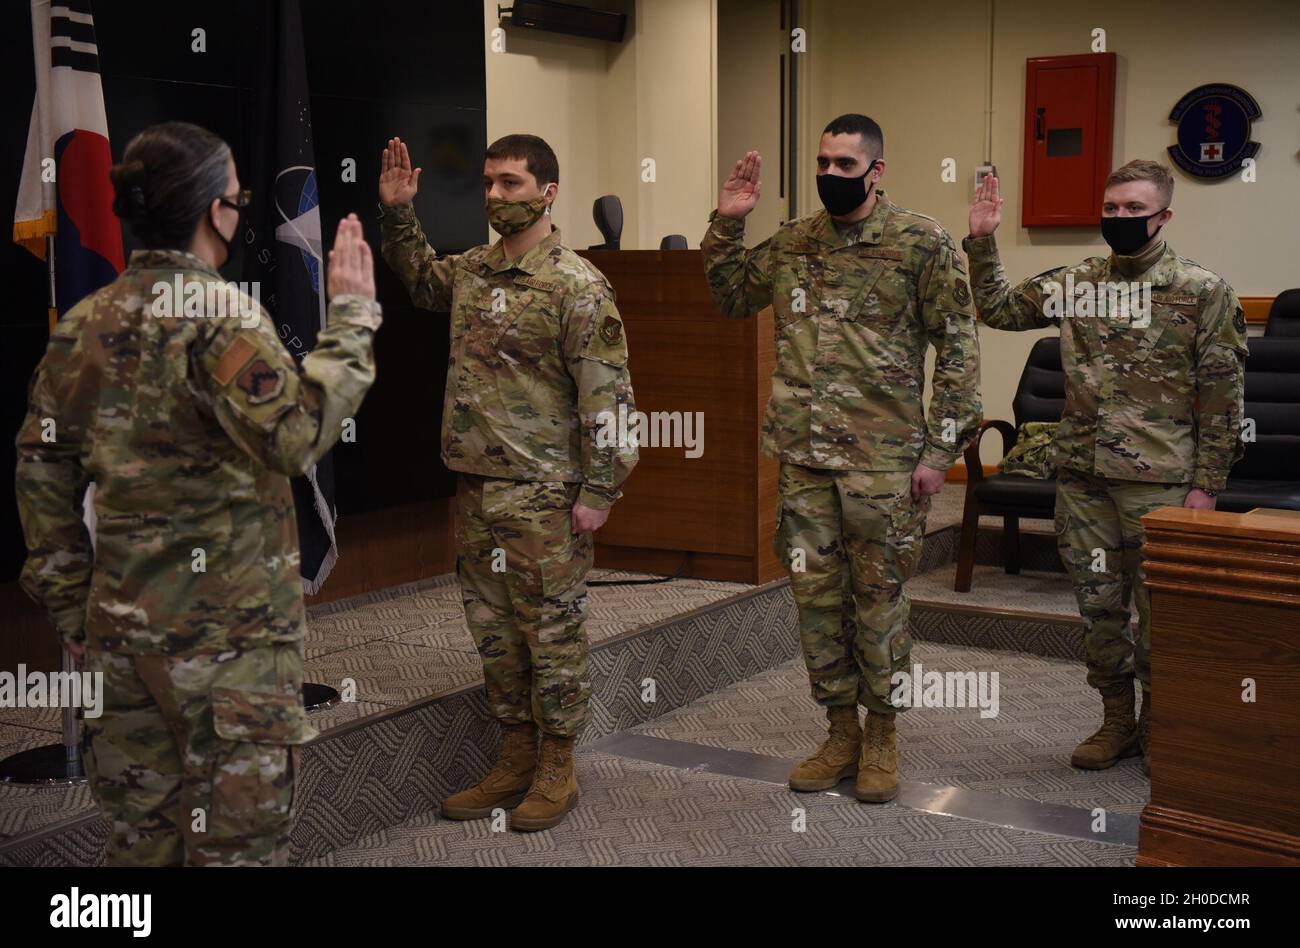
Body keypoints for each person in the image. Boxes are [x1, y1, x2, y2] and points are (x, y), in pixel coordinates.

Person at [15, 121, 383, 864]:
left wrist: (68, 600)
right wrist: (350, 323)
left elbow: (40, 468)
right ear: (217, 209)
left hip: (121, 644)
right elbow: (294, 435)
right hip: (229, 654)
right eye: (238, 191)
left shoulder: (84, 323)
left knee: (140, 844)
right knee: (237, 849)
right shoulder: (220, 316)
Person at [701, 114, 981, 802]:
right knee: (817, 601)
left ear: (876, 171)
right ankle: (839, 730)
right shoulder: (796, 240)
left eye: (844, 166)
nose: (829, 176)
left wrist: (942, 448)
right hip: (804, 461)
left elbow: (959, 349)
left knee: (879, 601)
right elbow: (732, 294)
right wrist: (727, 221)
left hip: (884, 463)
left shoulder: (922, 243)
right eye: (822, 163)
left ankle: (882, 733)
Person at [377, 133, 638, 830]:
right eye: (490, 184)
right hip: (477, 488)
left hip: (544, 493)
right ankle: (514, 754)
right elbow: (421, 279)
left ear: (548, 192)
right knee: (494, 631)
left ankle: (558, 764)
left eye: (512, 184)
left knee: (550, 631)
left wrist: (600, 490)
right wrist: (399, 212)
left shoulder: (575, 284)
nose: (495, 196)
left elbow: (609, 397)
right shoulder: (474, 270)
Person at [964, 159, 1247, 775]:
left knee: (1161, 615)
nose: (1119, 218)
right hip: (1084, 479)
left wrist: (1208, 486)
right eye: (1111, 208)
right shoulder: (1079, 280)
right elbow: (1000, 311)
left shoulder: (1202, 290)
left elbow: (1223, 398)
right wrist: (983, 240)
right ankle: (1116, 719)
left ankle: (1160, 722)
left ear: (1164, 216)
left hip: (1162, 483)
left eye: (1133, 210)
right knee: (1098, 607)